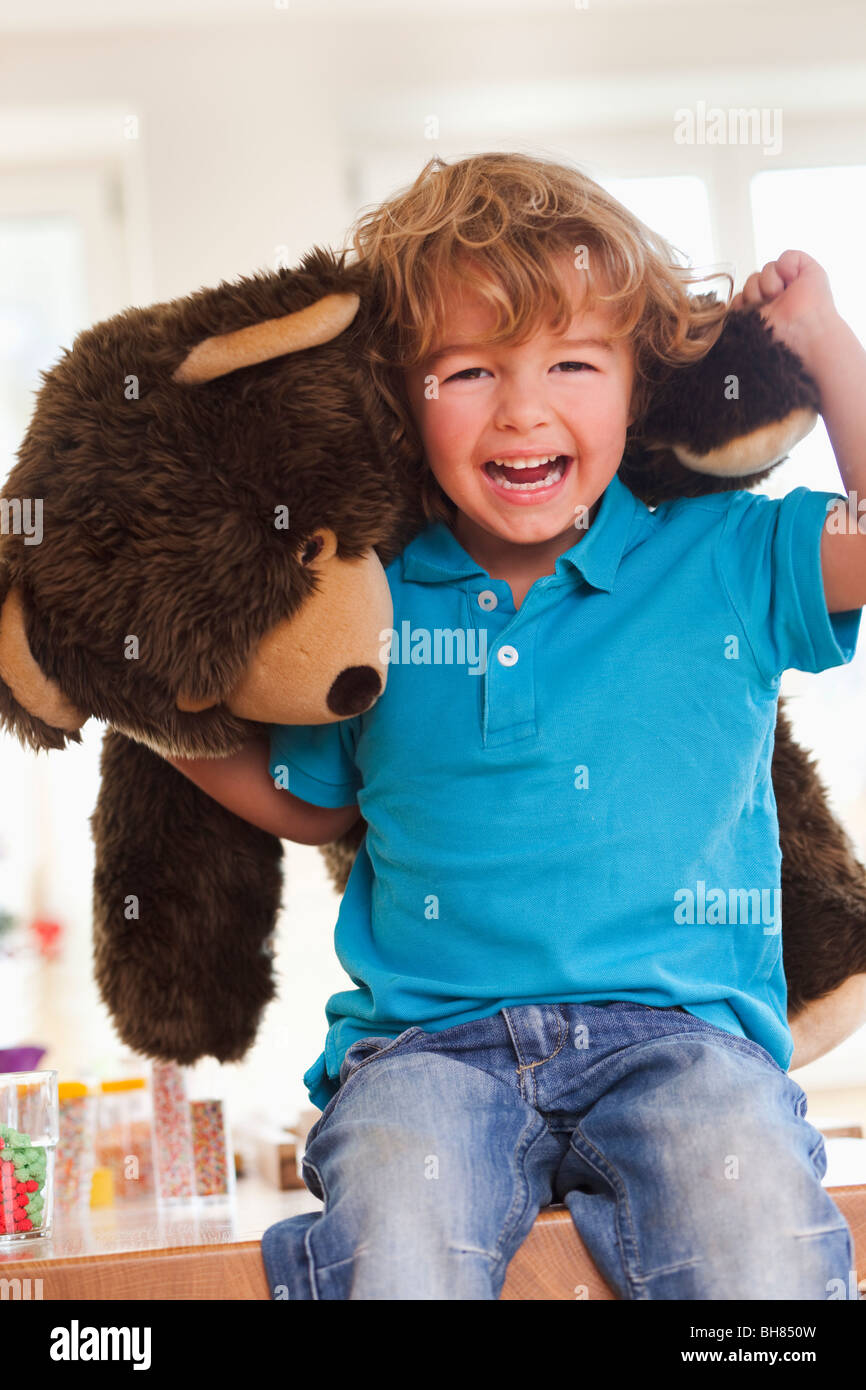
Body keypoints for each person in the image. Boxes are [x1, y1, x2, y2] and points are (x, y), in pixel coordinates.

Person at [168, 153, 866, 1300]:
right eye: (467, 371)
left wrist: (826, 341)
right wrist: (165, 723)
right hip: (427, 1055)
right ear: (399, 395)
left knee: (750, 1234)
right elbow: (320, 804)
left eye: (573, 362)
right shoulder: (364, 602)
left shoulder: (723, 554)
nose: (524, 406)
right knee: (393, 1232)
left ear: (636, 386)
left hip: (682, 1045)